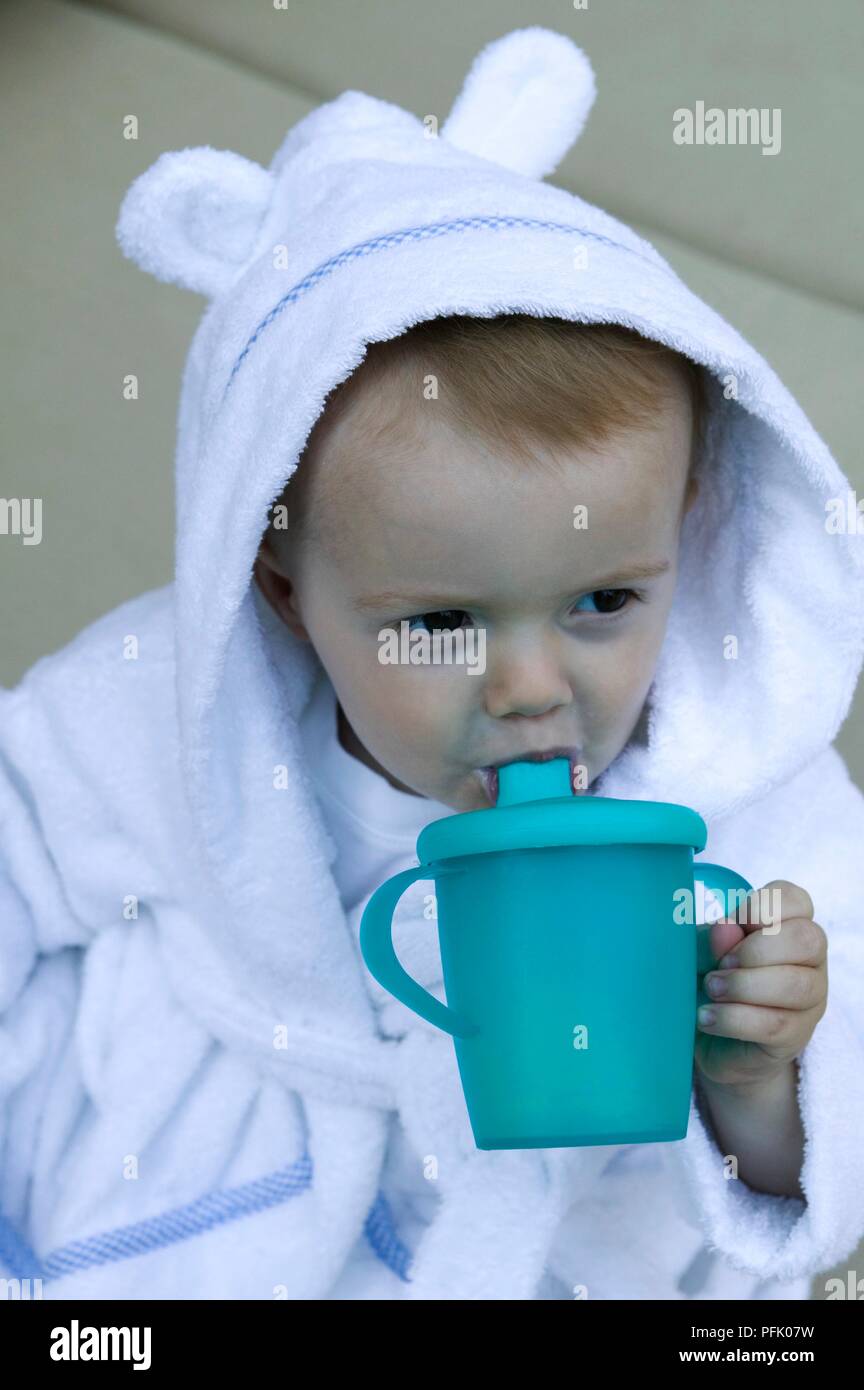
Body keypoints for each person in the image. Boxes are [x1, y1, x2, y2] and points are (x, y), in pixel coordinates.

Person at [1, 27, 862, 1301]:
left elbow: (811, 1141)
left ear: (690, 535)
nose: (531, 688)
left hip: (569, 1229)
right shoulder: (161, 715)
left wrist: (758, 1078)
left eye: (604, 598)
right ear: (284, 590)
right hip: (232, 1182)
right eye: (440, 624)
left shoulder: (744, 772)